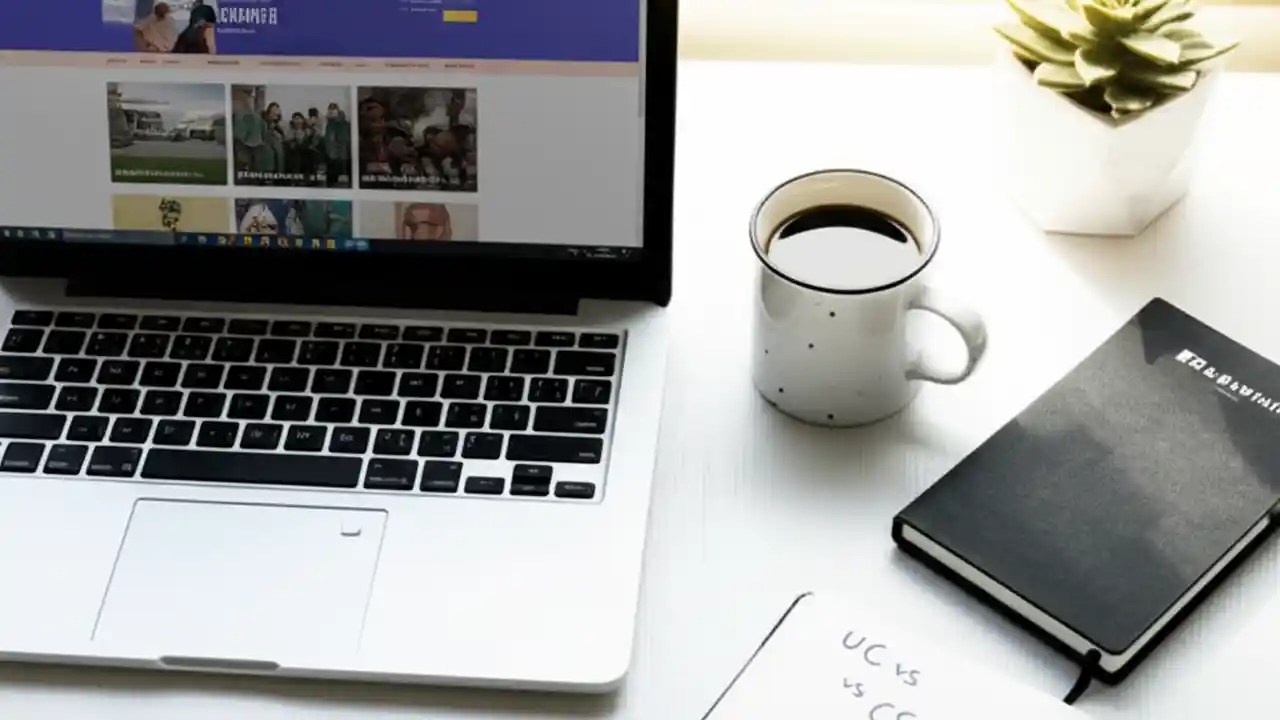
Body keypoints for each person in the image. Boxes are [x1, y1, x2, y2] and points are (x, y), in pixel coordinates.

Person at [322, 103, 350, 187]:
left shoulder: (345, 125)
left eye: (333, 109)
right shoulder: (328, 125)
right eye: (329, 109)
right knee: (331, 184)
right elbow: (325, 140)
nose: (331, 111)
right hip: (331, 159)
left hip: (342, 158)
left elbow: (345, 141)